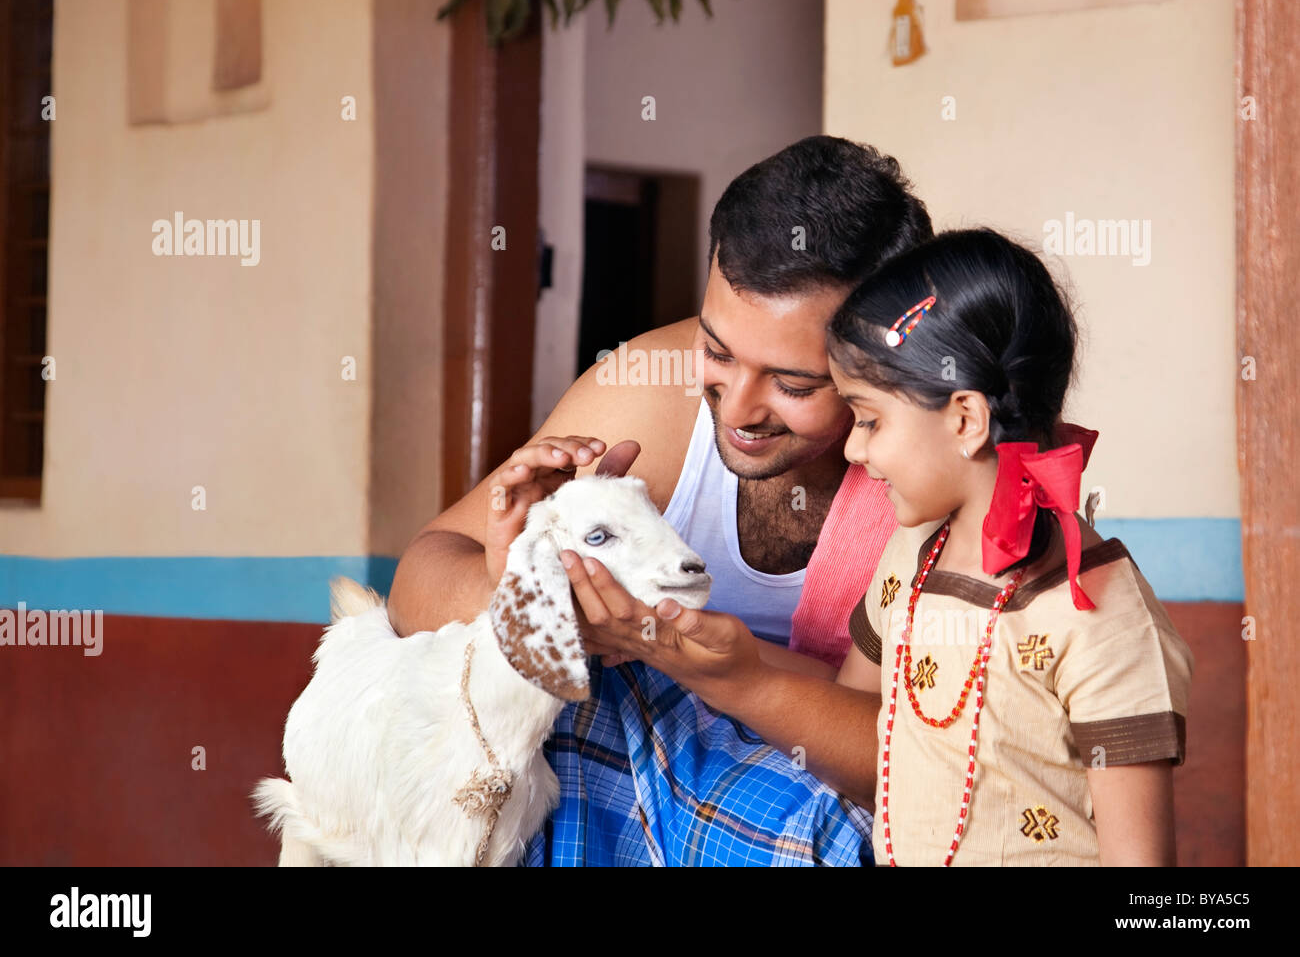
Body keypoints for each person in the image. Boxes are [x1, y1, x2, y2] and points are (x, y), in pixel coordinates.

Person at [387, 135, 932, 865]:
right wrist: (524, 582)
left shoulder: (927, 467)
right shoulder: (649, 390)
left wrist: (694, 657)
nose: (737, 408)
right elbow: (416, 582)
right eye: (717, 350)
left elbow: (921, 752)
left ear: (886, 363)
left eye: (794, 385)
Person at [824, 228, 1194, 865]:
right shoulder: (909, 553)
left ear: (966, 419)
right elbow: (853, 717)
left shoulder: (1098, 613)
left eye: (870, 420)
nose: (854, 451)